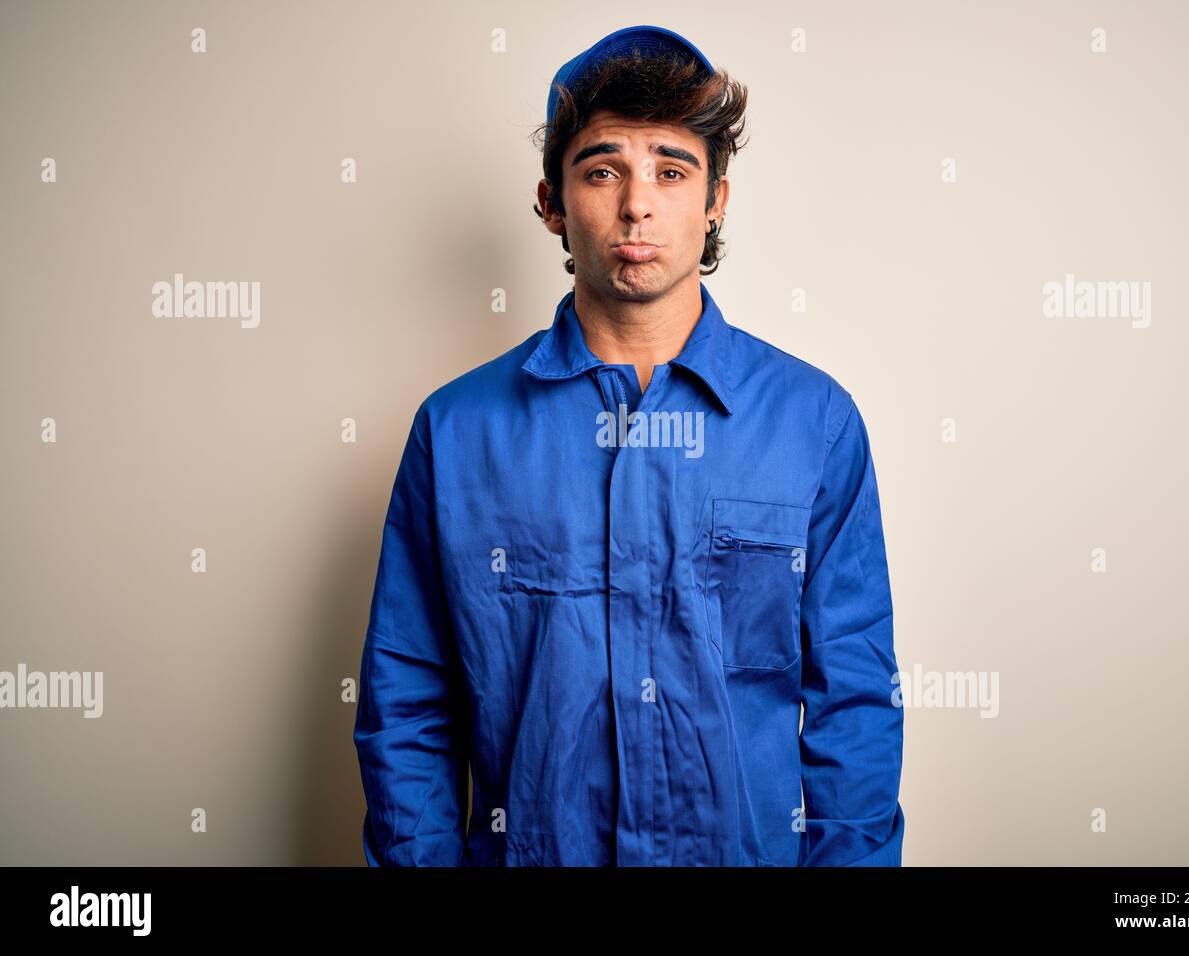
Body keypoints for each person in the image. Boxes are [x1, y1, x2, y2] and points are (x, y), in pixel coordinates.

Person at [352, 24, 904, 866]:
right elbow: (407, 701)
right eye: (603, 169)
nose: (637, 203)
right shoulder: (457, 433)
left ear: (715, 199)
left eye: (671, 170)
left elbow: (855, 701)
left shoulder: (814, 423)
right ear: (550, 200)